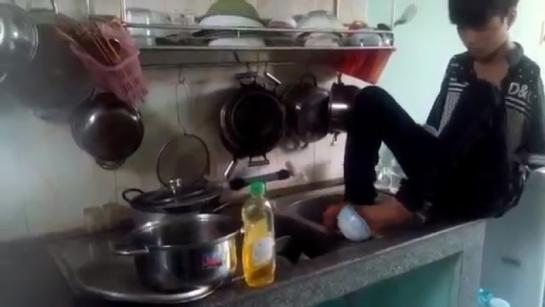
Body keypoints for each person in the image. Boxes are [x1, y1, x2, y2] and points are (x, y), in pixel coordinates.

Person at [323, 0, 545, 234]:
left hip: (487, 190)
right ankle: (359, 205)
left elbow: (537, 152)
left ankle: (401, 208)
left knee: (483, 94)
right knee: (370, 98)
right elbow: (437, 132)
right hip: (442, 179)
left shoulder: (527, 74)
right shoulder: (458, 65)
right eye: (461, 27)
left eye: (480, 27)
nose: (469, 37)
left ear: (509, 18)